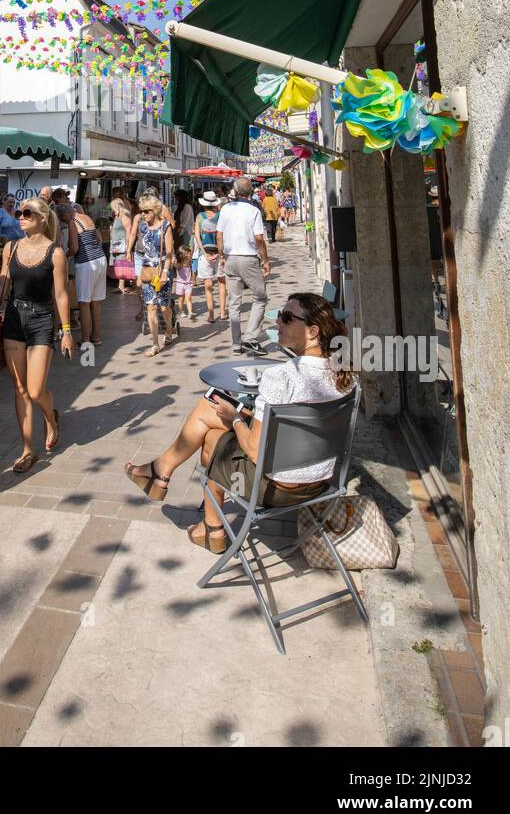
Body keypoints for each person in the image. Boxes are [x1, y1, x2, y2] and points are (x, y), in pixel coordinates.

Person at [124, 293, 354, 552]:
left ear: (312, 332)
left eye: (287, 318)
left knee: (212, 438)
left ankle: (211, 527)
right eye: (280, 315)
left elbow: (255, 451)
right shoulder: (344, 375)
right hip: (322, 481)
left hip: (278, 490)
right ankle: (163, 474)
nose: (278, 322)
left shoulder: (281, 377)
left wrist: (235, 419)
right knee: (209, 406)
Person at [0, 198, 73, 473]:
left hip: (42, 320)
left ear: (43, 218)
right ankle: (28, 449)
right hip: (14, 319)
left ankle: (51, 419)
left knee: (35, 389)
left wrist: (66, 331)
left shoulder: (55, 253)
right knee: (19, 389)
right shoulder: (11, 248)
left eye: (27, 213)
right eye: (19, 212)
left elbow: (61, 293)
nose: (21, 216)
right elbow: (1, 284)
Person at [217, 177, 271, 356]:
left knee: (234, 303)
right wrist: (265, 261)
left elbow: (219, 235)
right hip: (248, 258)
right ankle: (251, 338)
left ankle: (236, 343)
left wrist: (221, 255)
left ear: (236, 191)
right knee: (260, 298)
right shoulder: (253, 210)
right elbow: (259, 239)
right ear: (251, 192)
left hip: (231, 258)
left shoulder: (225, 209)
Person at [127, 194, 175, 356]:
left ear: (154, 210)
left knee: (163, 306)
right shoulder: (143, 227)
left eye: (146, 211)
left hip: (162, 270)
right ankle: (155, 344)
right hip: (148, 270)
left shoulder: (165, 226)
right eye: (142, 211)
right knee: (151, 306)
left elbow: (169, 252)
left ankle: (169, 330)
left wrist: (166, 272)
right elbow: (141, 247)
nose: (143, 214)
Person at [69, 204, 107, 345]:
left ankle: (85, 340)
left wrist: (65, 255)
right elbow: (100, 239)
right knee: (96, 302)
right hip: (100, 258)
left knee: (84, 303)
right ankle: (96, 337)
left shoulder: (73, 222)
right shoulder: (88, 218)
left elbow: (74, 248)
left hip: (86, 263)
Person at [194, 192, 227, 324]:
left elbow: (197, 237)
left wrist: (204, 253)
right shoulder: (220, 216)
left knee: (208, 284)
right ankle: (223, 312)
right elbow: (223, 236)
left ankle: (211, 315)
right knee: (222, 282)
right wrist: (220, 254)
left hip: (205, 254)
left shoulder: (199, 217)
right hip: (219, 253)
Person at [109, 190, 134, 293]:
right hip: (116, 244)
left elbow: (129, 231)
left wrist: (128, 247)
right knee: (117, 264)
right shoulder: (117, 216)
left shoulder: (124, 216)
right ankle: (120, 285)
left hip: (121, 244)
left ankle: (121, 286)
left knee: (121, 264)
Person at [173, 244, 196, 321]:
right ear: (182, 256)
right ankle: (181, 311)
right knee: (181, 299)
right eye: (188, 254)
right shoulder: (180, 264)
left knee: (188, 298)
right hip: (180, 284)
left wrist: (193, 279)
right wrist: (174, 261)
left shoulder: (190, 262)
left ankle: (190, 312)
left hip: (188, 284)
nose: (190, 255)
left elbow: (192, 271)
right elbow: (175, 265)